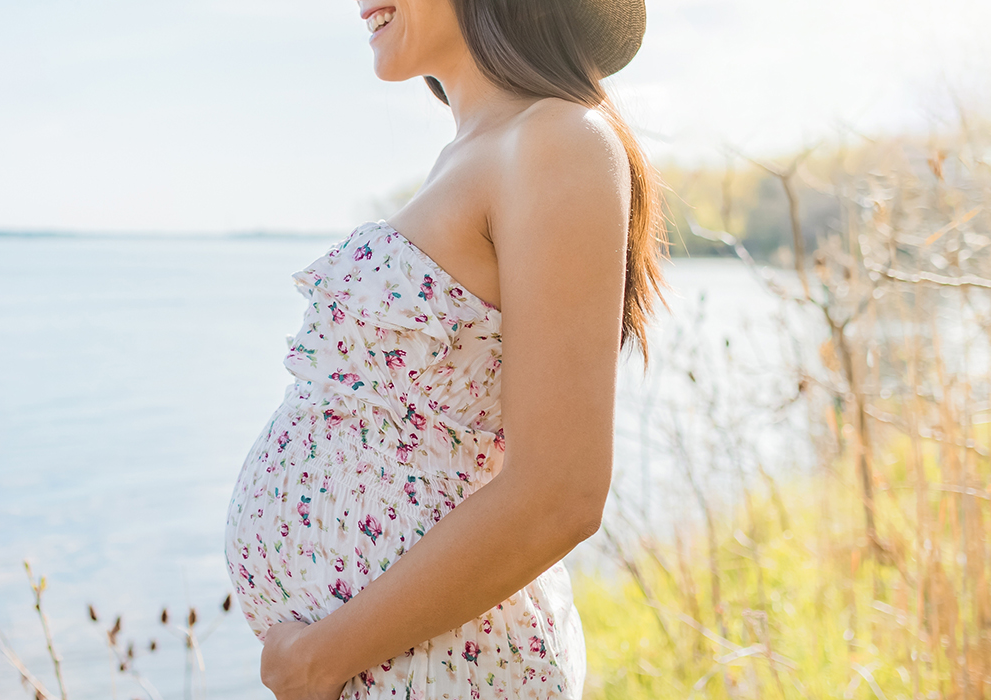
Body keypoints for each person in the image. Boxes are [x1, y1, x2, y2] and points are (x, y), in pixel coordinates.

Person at [220, 0, 667, 697]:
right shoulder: (471, 154)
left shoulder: (559, 137)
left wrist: (321, 658)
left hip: (437, 668)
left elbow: (562, 491)